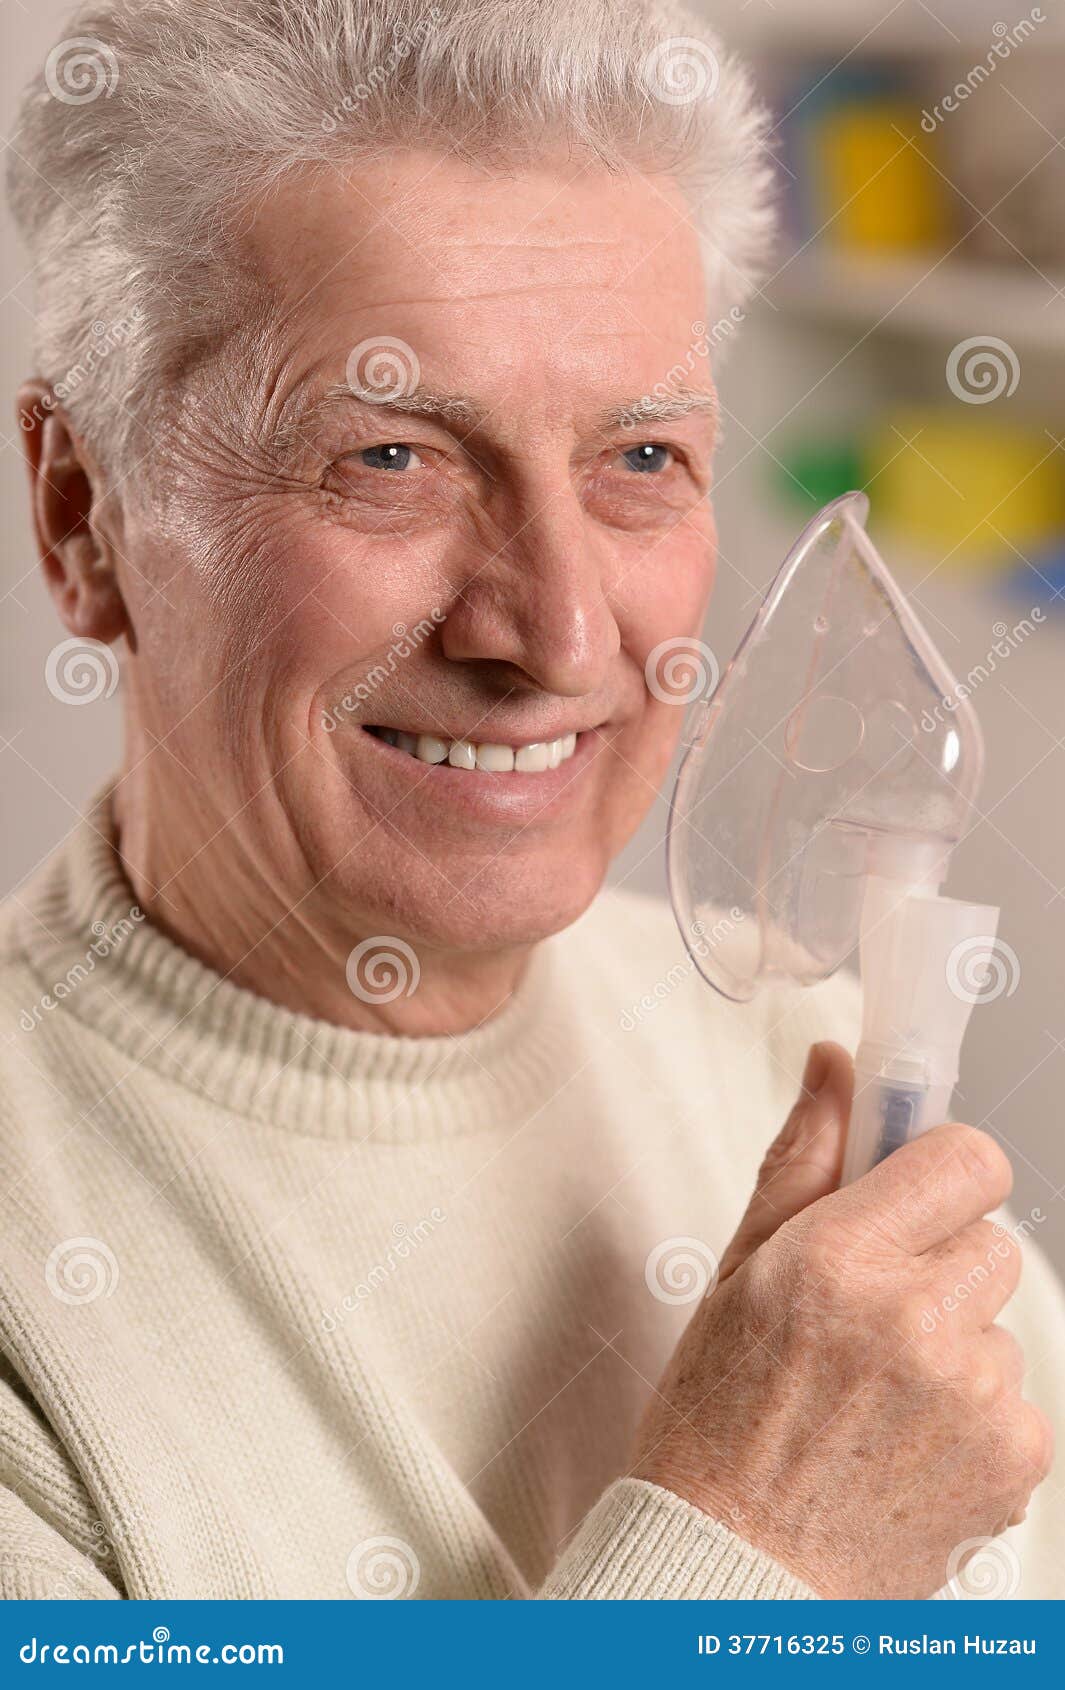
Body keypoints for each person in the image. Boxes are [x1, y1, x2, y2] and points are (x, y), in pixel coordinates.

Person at [1, 0, 1059, 1601]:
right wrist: (757, 1547)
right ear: (84, 519)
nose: (560, 635)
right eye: (391, 458)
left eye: (637, 457)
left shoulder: (795, 1070)